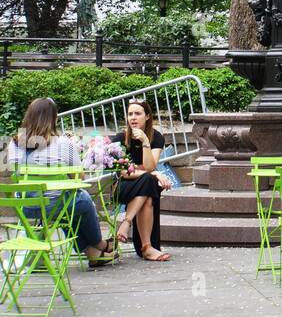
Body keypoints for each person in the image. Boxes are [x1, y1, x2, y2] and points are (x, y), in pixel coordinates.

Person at [4, 98, 117, 267]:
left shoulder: (14, 144)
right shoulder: (63, 143)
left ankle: (93, 253)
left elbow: (16, 174)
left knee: (66, 205)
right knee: (80, 202)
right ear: (53, 119)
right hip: (54, 205)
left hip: (25, 207)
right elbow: (79, 179)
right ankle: (100, 244)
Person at [114, 100, 171, 262]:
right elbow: (124, 173)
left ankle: (132, 229)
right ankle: (146, 247)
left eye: (137, 113)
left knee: (148, 186)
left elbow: (150, 165)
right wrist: (152, 174)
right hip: (121, 187)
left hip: (143, 187)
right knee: (148, 180)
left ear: (147, 116)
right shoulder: (119, 139)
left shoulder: (156, 137)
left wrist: (146, 142)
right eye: (130, 114)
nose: (133, 117)